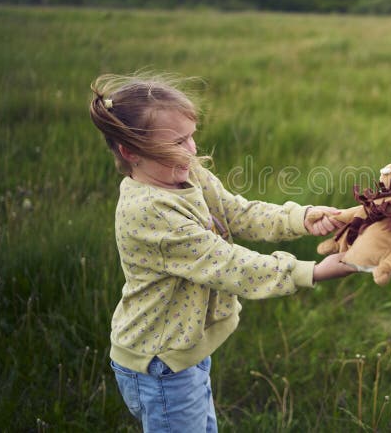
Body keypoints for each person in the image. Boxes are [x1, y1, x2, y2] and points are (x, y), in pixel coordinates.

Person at [89, 74, 353, 432]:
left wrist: (301, 218)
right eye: (178, 141)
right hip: (161, 364)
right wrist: (313, 271)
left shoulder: (187, 174)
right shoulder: (149, 211)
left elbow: (237, 212)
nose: (193, 149)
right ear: (130, 151)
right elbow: (227, 264)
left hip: (187, 351)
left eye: (191, 136)